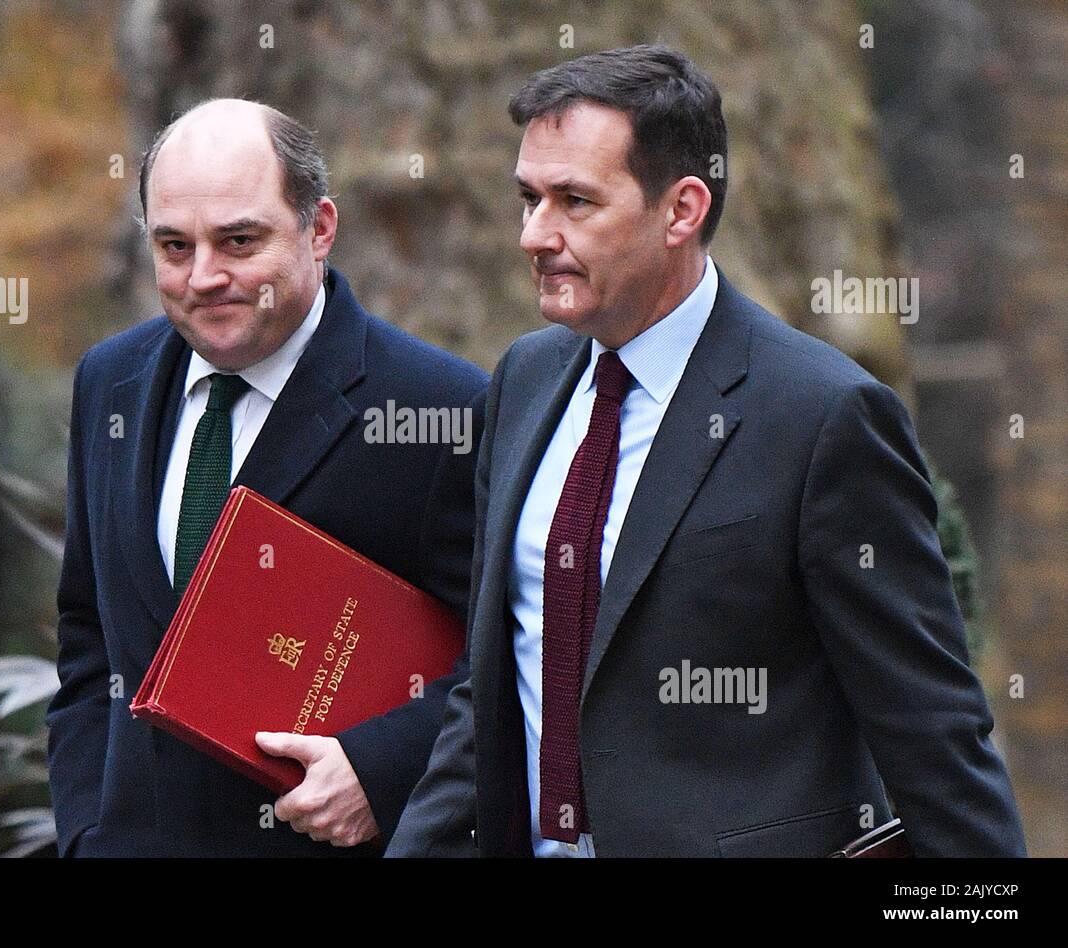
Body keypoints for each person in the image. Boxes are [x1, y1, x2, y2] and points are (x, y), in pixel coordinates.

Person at [387, 45, 1025, 857]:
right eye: (528, 198)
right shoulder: (524, 379)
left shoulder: (824, 416)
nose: (533, 235)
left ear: (681, 209)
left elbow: (932, 732)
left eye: (574, 201)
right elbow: (493, 688)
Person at [47, 98, 487, 856]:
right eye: (174, 246)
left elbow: (514, 659)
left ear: (319, 230)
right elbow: (89, 636)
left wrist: (380, 774)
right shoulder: (108, 381)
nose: (205, 276)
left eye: (239, 241)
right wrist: (86, 831)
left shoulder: (440, 406)